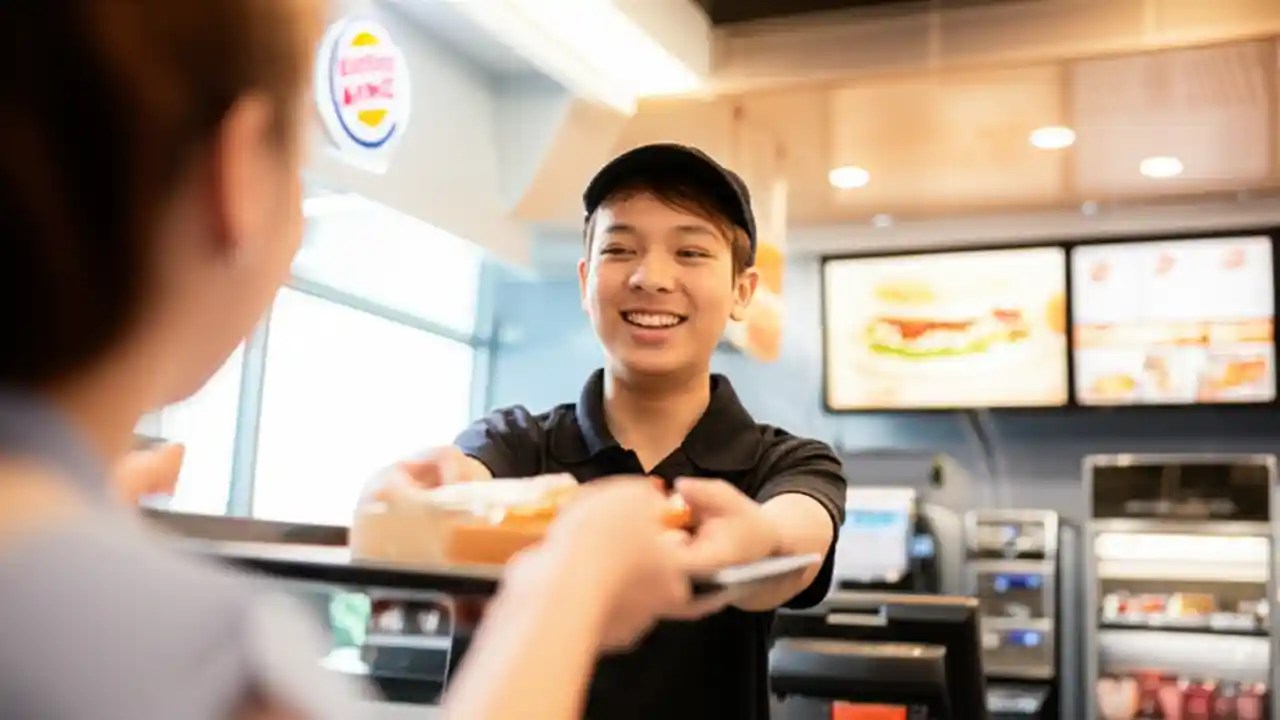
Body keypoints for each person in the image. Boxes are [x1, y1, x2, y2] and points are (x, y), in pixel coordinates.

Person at [0, 3, 690, 718]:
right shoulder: (191, 646)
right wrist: (573, 584)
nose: (653, 279)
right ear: (235, 173)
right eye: (297, 155)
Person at [375, 143, 849, 720]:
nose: (652, 277)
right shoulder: (514, 444)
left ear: (742, 292)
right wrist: (420, 497)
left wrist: (749, 546)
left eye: (691, 252)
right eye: (621, 249)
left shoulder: (787, 463)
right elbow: (459, 484)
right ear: (585, 279)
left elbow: (794, 539)